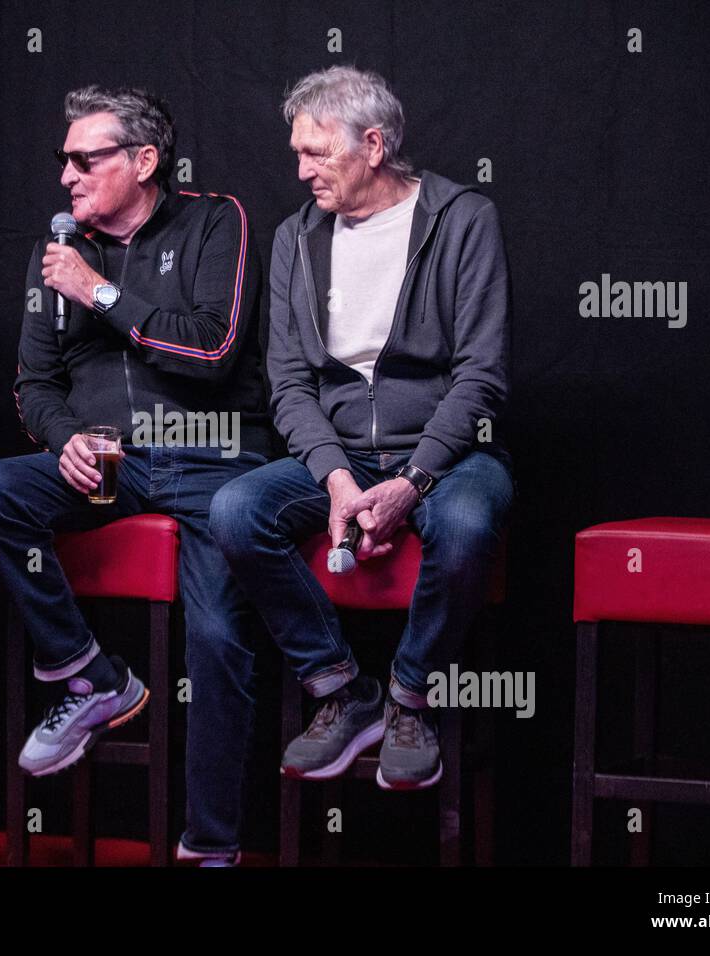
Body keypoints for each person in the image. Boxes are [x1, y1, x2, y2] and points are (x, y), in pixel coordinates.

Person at [0, 85, 272, 866]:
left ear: (144, 160)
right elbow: (35, 384)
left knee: (217, 641)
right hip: (113, 465)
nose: (65, 175)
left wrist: (98, 293)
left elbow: (213, 349)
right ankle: (95, 677)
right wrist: (66, 438)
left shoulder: (215, 220)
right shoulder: (61, 252)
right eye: (62, 160)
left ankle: (212, 847)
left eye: (84, 158)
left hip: (215, 462)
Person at [211, 66, 514, 791]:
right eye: (297, 153)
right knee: (235, 509)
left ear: (373, 145)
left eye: (317, 152)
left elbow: (482, 378)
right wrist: (338, 479)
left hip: (449, 455)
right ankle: (343, 690)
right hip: (343, 455)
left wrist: (412, 483)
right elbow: (287, 383)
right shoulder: (295, 238)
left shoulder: (463, 218)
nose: (301, 169)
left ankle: (411, 696)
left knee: (467, 523)